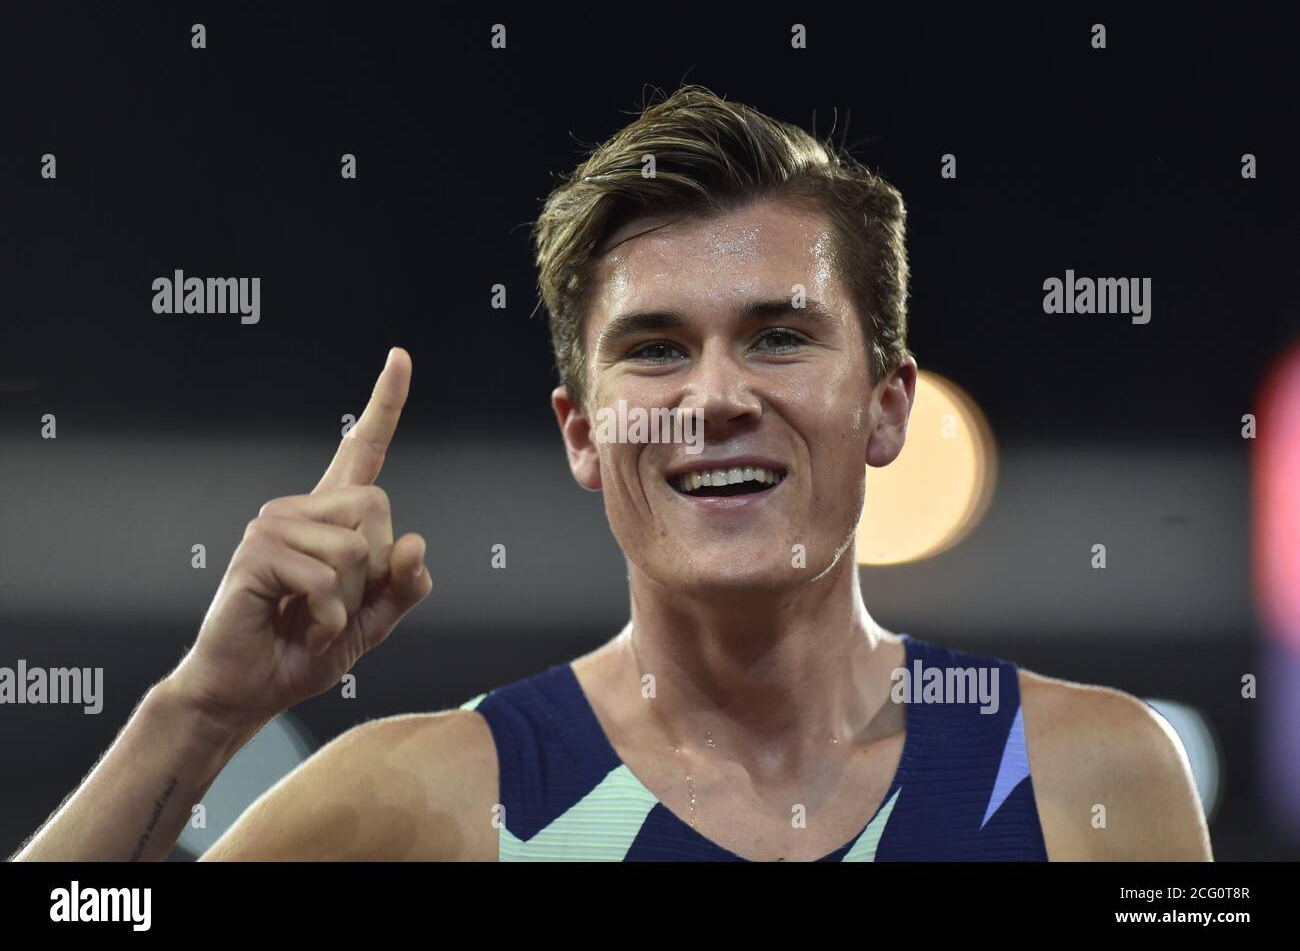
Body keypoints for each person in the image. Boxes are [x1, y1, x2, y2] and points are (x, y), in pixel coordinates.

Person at [11, 86, 1212, 862]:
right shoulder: (425, 802)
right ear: (582, 435)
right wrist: (197, 716)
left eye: (780, 334)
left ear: (886, 407)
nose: (716, 396)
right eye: (654, 350)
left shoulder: (1089, 781)